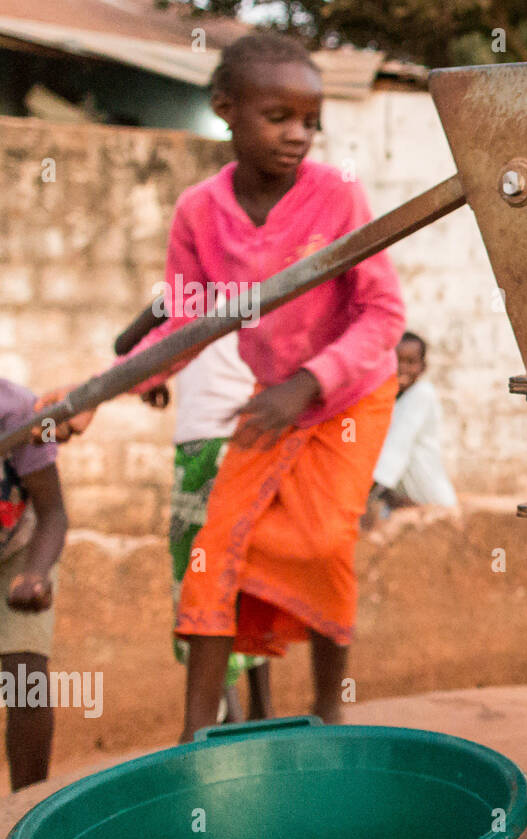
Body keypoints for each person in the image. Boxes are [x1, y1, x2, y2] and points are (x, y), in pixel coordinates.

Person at [46, 33, 404, 742]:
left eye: (311, 120)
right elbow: (185, 323)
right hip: (271, 399)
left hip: (347, 396)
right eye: (279, 117)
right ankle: (194, 737)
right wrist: (91, 399)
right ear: (226, 110)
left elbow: (383, 313)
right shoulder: (199, 213)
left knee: (322, 544)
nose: (299, 135)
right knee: (215, 551)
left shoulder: (337, 195)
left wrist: (307, 383)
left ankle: (331, 709)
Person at [113, 311, 270, 724]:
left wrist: (154, 369)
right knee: (241, 578)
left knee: (202, 582)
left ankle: (229, 722)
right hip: (257, 437)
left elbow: (124, 345)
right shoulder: (258, 274)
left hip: (207, 443)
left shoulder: (185, 293)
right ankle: (261, 713)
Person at [0, 379, 68, 790]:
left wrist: (36, 574)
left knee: (24, 674)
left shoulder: (19, 411)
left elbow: (54, 513)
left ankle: (25, 809)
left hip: (21, 548)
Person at [364, 331, 457, 528]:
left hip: (433, 504)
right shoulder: (389, 399)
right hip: (407, 503)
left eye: (410, 361)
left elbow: (395, 448)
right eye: (396, 361)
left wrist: (361, 494)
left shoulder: (421, 394)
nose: (402, 368)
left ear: (423, 367)